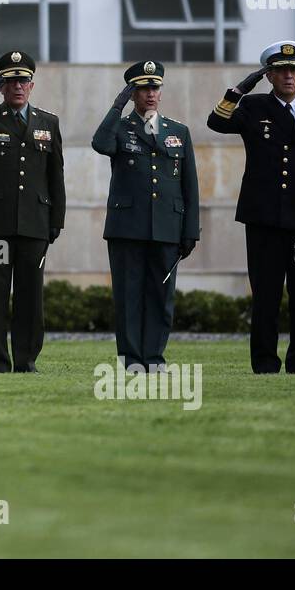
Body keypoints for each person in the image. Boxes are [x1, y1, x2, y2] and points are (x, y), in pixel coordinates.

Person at [207, 40, 295, 374]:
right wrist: (239, 90)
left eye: (294, 70)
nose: (289, 76)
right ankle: (265, 363)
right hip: (264, 218)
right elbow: (216, 122)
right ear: (269, 75)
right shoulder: (253, 107)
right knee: (266, 296)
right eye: (281, 71)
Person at [0, 50, 65, 373]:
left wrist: (55, 221)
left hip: (34, 224)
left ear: (32, 86)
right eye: (11, 81)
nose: (18, 86)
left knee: (30, 296)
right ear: (2, 87)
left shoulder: (48, 122)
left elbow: (55, 175)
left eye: (23, 81)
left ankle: (26, 359)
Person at [91, 60, 199, 371]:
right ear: (133, 93)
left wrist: (190, 230)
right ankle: (131, 360)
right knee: (128, 298)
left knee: (161, 298)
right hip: (128, 227)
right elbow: (100, 144)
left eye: (154, 87)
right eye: (142, 88)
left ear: (161, 91)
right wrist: (116, 107)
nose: (150, 93)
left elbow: (189, 184)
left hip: (167, 227)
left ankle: (154, 358)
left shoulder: (178, 131)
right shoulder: (121, 128)